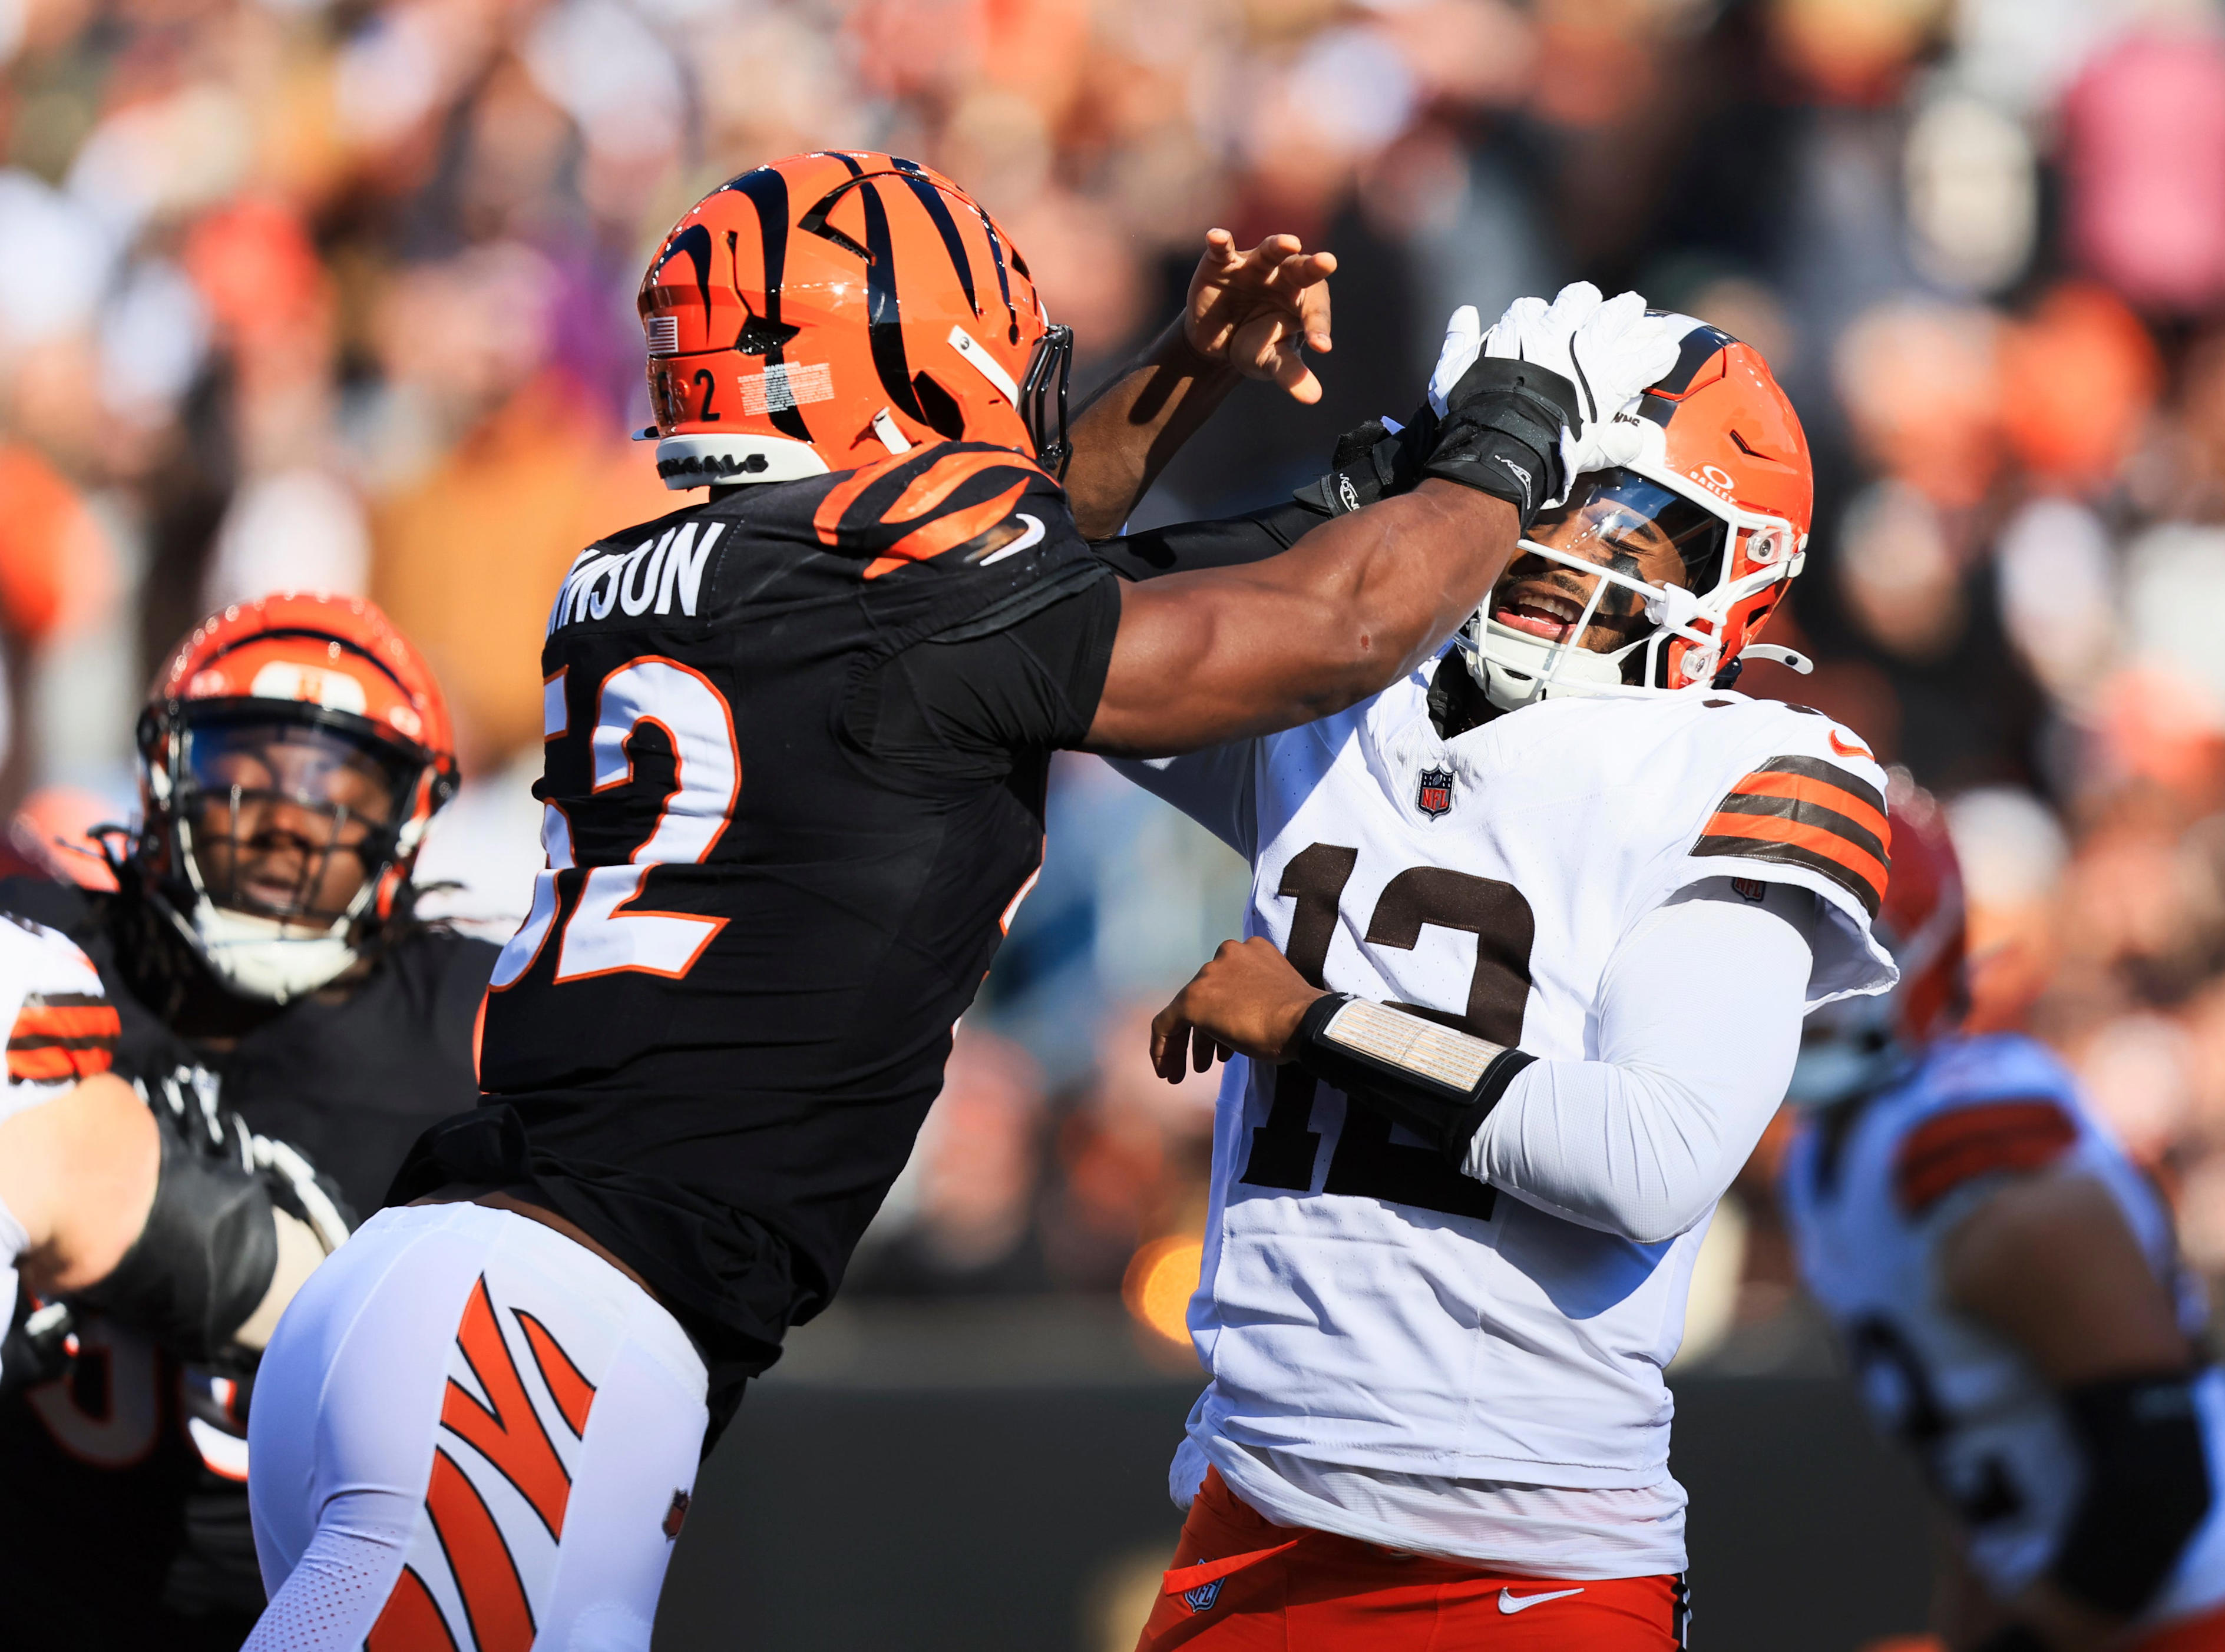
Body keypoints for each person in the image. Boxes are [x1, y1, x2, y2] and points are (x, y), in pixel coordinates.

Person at [242, 149, 1671, 1650]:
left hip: (445, 1299)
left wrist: (1188, 372)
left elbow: (1020, 565)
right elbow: (1338, 625)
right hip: (543, 1343)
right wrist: (1512, 438)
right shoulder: (885, 598)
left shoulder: (654, 570)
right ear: (906, 350)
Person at [1122, 312, 1892, 1648]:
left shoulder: (1735, 764)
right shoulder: (1349, 690)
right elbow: (1045, 628)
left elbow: (1651, 1157)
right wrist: (1377, 486)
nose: (1558, 546)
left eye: (1632, 520)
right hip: (1251, 1510)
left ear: (1735, 576)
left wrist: (1317, 1024)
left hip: (1523, 1559)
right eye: (1548, 494)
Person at [1777, 783, 2225, 1652]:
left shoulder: (1968, 1147)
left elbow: (2159, 1478)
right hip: (2095, 1615)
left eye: (1819, 944)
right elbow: (1983, 1484)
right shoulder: (1822, 1163)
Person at [0, 592, 497, 1648]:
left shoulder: (479, 1032)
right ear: (165, 773)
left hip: (319, 1604)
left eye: (335, 779)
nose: (284, 813)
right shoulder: (49, 954)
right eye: (243, 764)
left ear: (407, 815)